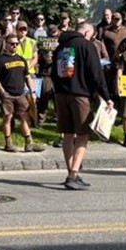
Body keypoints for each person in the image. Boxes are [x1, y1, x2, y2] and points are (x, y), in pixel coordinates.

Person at [52, 22, 113, 190]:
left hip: (60, 95)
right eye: (91, 35)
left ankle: (72, 171)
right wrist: (106, 96)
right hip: (80, 95)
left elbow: (53, 73)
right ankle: (73, 175)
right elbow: (96, 73)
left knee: (68, 134)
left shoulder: (60, 47)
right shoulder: (87, 46)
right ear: (86, 32)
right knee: (83, 134)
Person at [0, 34, 43, 153]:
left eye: (16, 44)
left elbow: (27, 77)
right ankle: (8, 143)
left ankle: (29, 143)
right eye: (12, 44)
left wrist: (32, 92)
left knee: (25, 116)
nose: (14, 46)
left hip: (21, 93)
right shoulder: (0, 60)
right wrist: (2, 92)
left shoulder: (21, 59)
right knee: (8, 117)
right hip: (8, 94)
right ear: (6, 44)